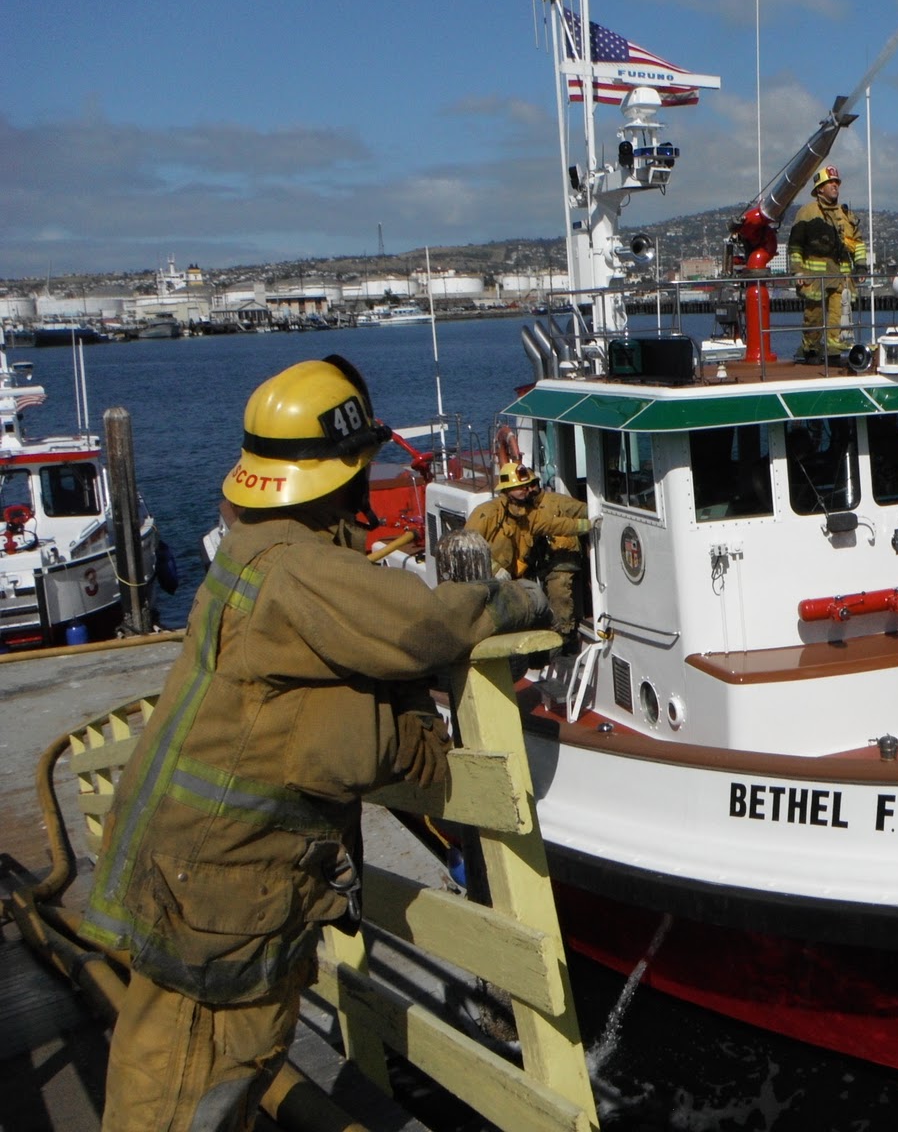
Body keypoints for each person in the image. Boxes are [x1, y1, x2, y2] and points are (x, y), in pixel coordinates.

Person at [83, 356, 546, 1132]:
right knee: (192, 1090)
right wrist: (524, 596)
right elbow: (423, 625)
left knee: (181, 1074)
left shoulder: (251, 549)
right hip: (226, 898)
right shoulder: (300, 569)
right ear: (344, 474)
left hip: (205, 880)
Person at [466, 460, 591, 639]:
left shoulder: (527, 515)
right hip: (485, 583)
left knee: (534, 605)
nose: (526, 490)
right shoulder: (487, 513)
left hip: (511, 581)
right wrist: (494, 568)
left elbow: (554, 524)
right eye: (521, 486)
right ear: (508, 489)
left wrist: (588, 525)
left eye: (528, 485)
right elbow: (467, 545)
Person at [787, 164, 867, 361]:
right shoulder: (807, 213)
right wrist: (798, 272)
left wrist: (861, 266)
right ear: (819, 188)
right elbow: (795, 247)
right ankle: (810, 349)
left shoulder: (846, 215)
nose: (835, 185)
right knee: (813, 316)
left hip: (842, 278)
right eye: (830, 182)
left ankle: (833, 352)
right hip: (815, 279)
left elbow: (858, 243)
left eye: (836, 182)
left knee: (838, 317)